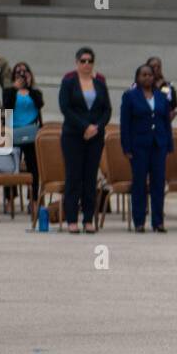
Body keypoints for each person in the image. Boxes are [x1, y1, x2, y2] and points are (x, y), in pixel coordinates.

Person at [57, 47, 111, 234]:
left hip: (95, 137)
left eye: (90, 61)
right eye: (83, 61)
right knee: (74, 177)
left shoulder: (100, 83)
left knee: (90, 178)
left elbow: (107, 110)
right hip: (73, 135)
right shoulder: (69, 82)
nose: (86, 64)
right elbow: (65, 107)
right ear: (77, 63)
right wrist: (84, 127)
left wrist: (96, 127)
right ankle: (71, 219)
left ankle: (88, 219)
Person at [120, 63, 173, 233]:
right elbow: (125, 124)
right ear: (137, 77)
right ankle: (139, 221)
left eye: (150, 75)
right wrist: (126, 147)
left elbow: (166, 122)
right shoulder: (130, 96)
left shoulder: (161, 96)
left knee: (158, 183)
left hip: (158, 145)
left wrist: (168, 145)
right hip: (138, 146)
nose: (147, 77)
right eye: (143, 74)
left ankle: (158, 222)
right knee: (140, 184)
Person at [3, 61, 44, 208]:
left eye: (25, 71)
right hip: (13, 131)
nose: (21, 74)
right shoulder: (9, 91)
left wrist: (29, 86)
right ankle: (9, 198)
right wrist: (15, 88)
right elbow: (7, 105)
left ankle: (33, 198)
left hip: (31, 131)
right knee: (10, 167)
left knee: (33, 166)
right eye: (18, 72)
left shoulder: (35, 92)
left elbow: (40, 104)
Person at [146, 57, 177, 122]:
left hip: (161, 125)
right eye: (153, 67)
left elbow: (174, 108)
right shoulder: (139, 85)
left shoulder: (167, 86)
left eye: (159, 67)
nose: (156, 69)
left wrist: (165, 122)